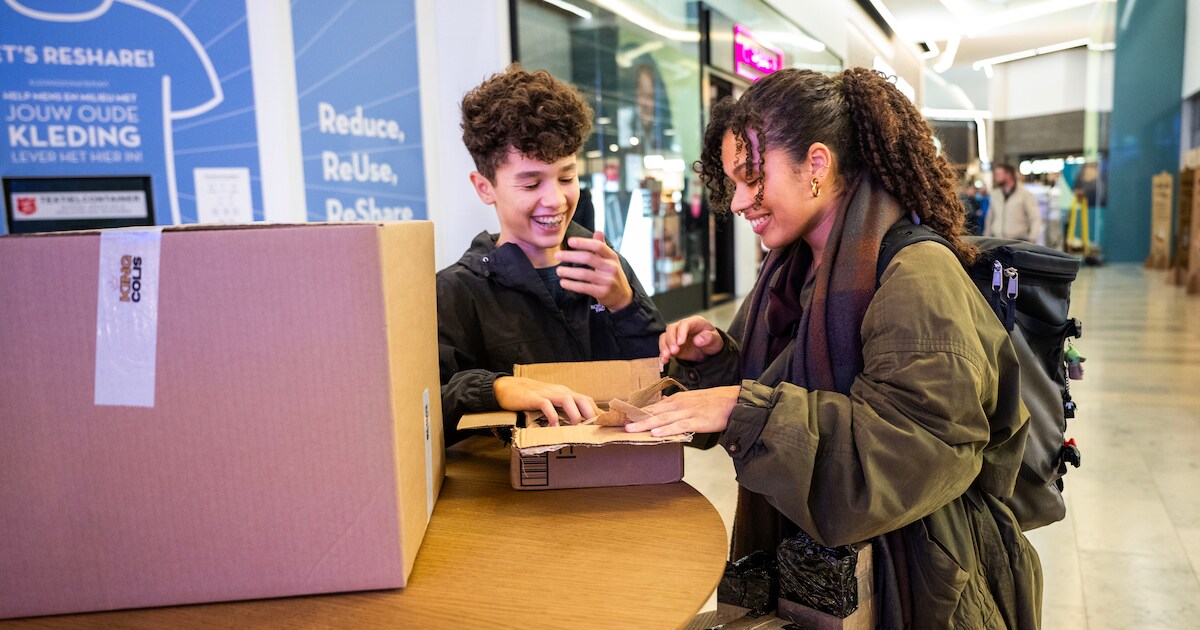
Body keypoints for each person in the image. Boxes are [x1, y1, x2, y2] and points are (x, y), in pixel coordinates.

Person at [629, 68, 1042, 628]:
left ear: (817, 165)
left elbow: (917, 451)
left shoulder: (917, 274)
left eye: (752, 177)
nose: (738, 202)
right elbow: (778, 382)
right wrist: (715, 362)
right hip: (826, 567)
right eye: (732, 183)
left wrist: (742, 409)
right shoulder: (795, 265)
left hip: (915, 583)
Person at [439, 64, 665, 444]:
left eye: (566, 177)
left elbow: (657, 381)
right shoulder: (457, 292)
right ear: (484, 187)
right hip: (505, 493)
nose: (555, 200)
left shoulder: (606, 266)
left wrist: (625, 306)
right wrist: (497, 389)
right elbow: (423, 412)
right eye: (531, 183)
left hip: (615, 479)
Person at [984, 163, 1043, 243]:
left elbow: (1035, 217)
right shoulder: (995, 194)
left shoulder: (1024, 194)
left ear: (1008, 175)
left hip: (1018, 241)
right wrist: (986, 237)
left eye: (998, 174)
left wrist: (1033, 238)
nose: (995, 177)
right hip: (997, 240)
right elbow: (990, 217)